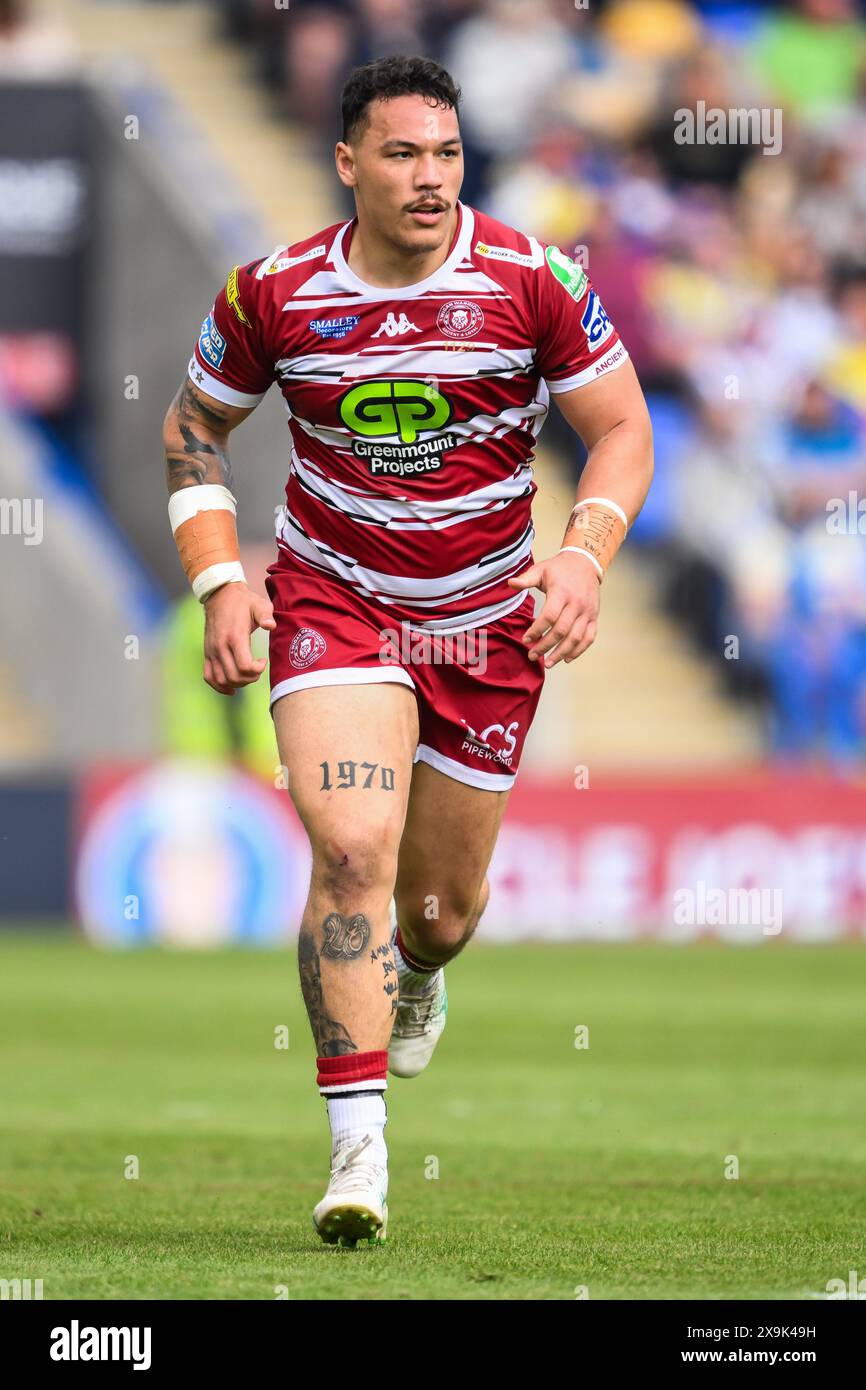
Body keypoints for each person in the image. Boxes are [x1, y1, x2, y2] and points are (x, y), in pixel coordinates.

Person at [162, 54, 653, 1246]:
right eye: (400, 154)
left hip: (485, 623)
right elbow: (192, 428)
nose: (429, 178)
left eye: (445, 154)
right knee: (349, 852)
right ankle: (357, 1151)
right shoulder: (272, 294)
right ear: (347, 163)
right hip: (335, 603)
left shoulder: (531, 279)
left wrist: (581, 558)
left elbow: (622, 428)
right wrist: (220, 579)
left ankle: (421, 973)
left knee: (435, 910)